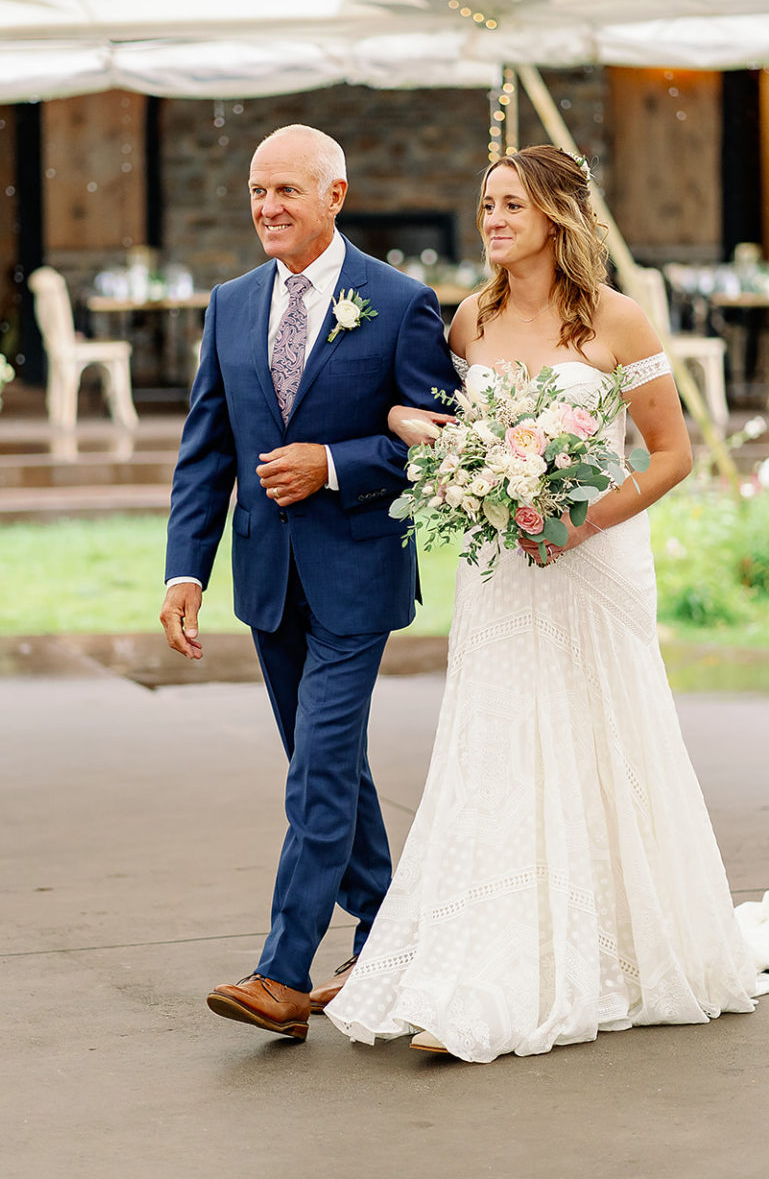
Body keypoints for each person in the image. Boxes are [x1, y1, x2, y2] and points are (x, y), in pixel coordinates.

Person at [326, 144, 762, 1061]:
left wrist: (584, 521)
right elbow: (429, 419)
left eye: (511, 205)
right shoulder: (468, 321)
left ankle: (617, 945)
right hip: (500, 568)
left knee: (604, 737)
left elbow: (671, 455)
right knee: (499, 745)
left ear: (557, 216)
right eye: (486, 204)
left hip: (593, 560)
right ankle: (485, 965)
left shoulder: (617, 319)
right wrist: (409, 425)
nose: (492, 220)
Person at [161, 124, 459, 1041]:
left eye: (287, 190)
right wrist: (185, 568)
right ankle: (386, 931)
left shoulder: (400, 303)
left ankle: (283, 974)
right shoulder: (230, 304)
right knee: (325, 766)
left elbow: (439, 445)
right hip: (265, 579)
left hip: (358, 573)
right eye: (258, 190)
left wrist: (332, 463)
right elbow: (207, 450)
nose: (268, 207)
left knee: (319, 769)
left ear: (336, 195)